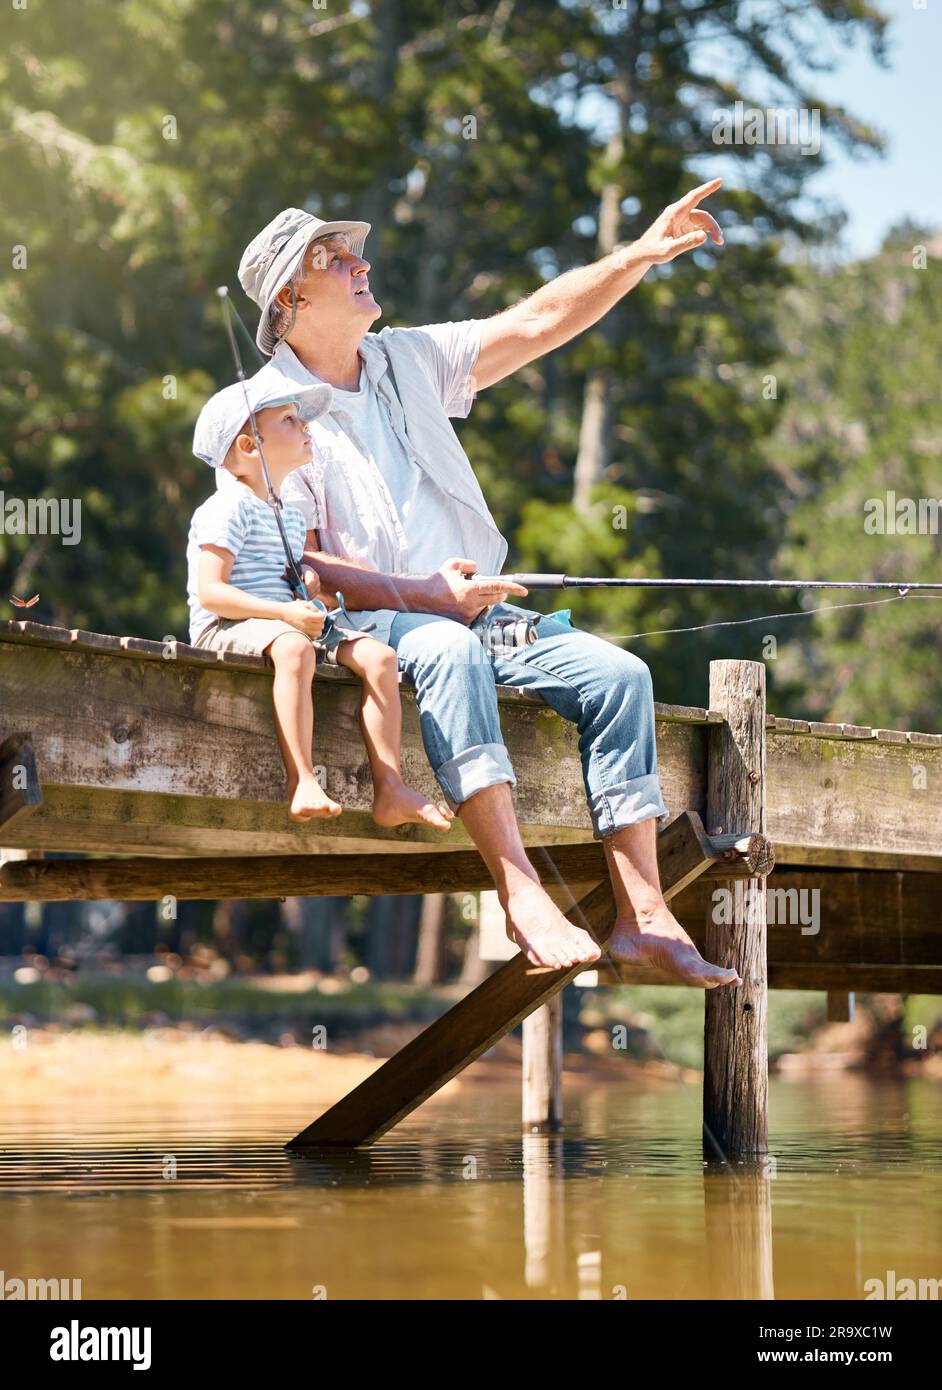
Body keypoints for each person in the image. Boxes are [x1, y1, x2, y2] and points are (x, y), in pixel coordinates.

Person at [234, 187, 742, 987]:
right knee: (444, 646)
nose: (362, 262)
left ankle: (643, 920)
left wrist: (642, 253)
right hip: (377, 629)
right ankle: (519, 890)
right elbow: (306, 570)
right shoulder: (270, 413)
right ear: (289, 301)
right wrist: (428, 596)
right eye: (336, 258)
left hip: (481, 619)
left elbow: (539, 320)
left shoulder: (408, 357)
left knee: (621, 676)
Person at [185, 367, 453, 833]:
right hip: (229, 624)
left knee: (380, 658)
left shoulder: (287, 512)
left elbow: (280, 579)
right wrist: (285, 612)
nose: (305, 426)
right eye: (289, 420)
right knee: (294, 649)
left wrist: (304, 586)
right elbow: (212, 593)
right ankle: (302, 781)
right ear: (249, 447)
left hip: (286, 620)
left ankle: (391, 788)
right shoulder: (226, 508)